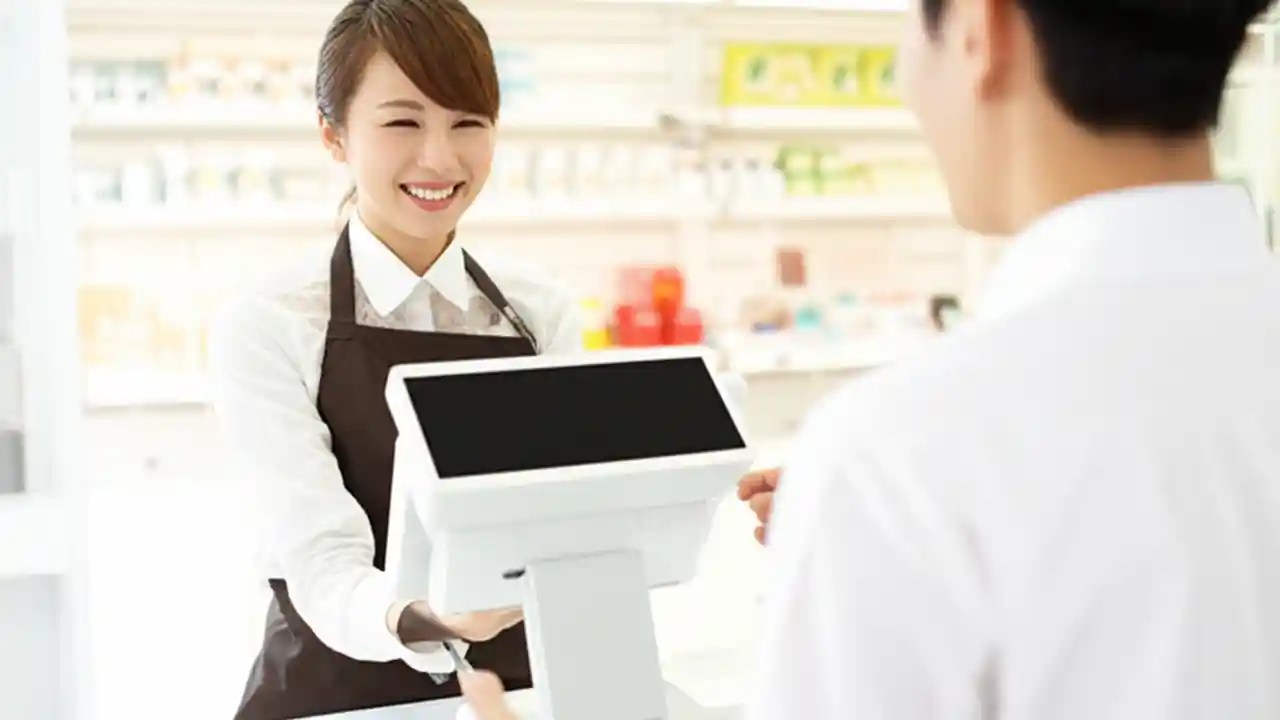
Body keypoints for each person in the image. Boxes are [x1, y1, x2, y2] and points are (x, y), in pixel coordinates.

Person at [460, 0, 1280, 717]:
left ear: (980, 29)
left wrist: (886, 523)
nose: (907, 83)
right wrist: (891, 554)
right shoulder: (916, 468)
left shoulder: (908, 452)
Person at [209, 1, 578, 717]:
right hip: (333, 694)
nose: (439, 158)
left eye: (467, 123)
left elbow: (565, 520)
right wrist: (432, 615)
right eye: (403, 123)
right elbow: (322, 562)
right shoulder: (271, 322)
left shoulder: (540, 313)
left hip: (517, 692)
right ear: (334, 135)